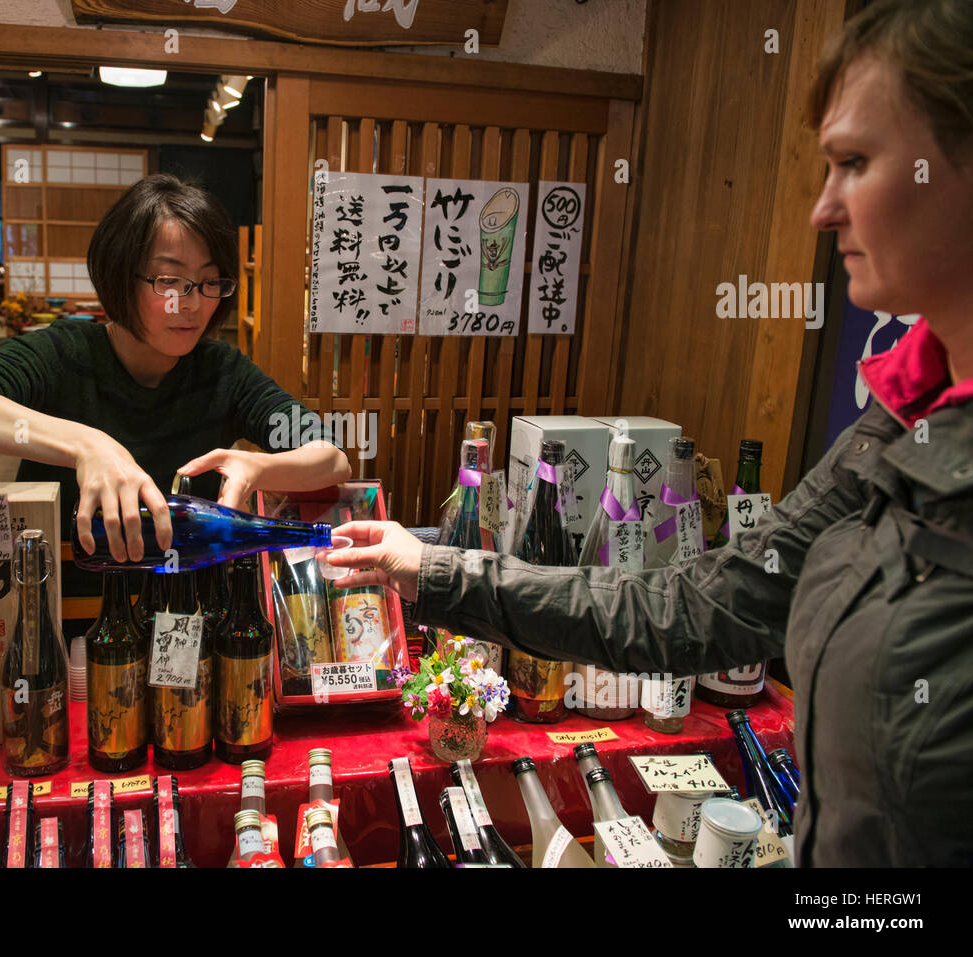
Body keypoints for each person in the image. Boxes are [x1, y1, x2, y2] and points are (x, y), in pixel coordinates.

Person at [327, 0, 973, 867]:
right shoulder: (902, 415)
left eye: (854, 162)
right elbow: (699, 604)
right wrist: (437, 567)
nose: (821, 211)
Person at [0, 174, 348, 601]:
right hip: (57, 614)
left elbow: (331, 458)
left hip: (184, 621)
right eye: (169, 281)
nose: (193, 303)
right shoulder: (65, 353)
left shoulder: (222, 372)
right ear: (122, 275)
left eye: (210, 282)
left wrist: (259, 469)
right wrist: (87, 445)